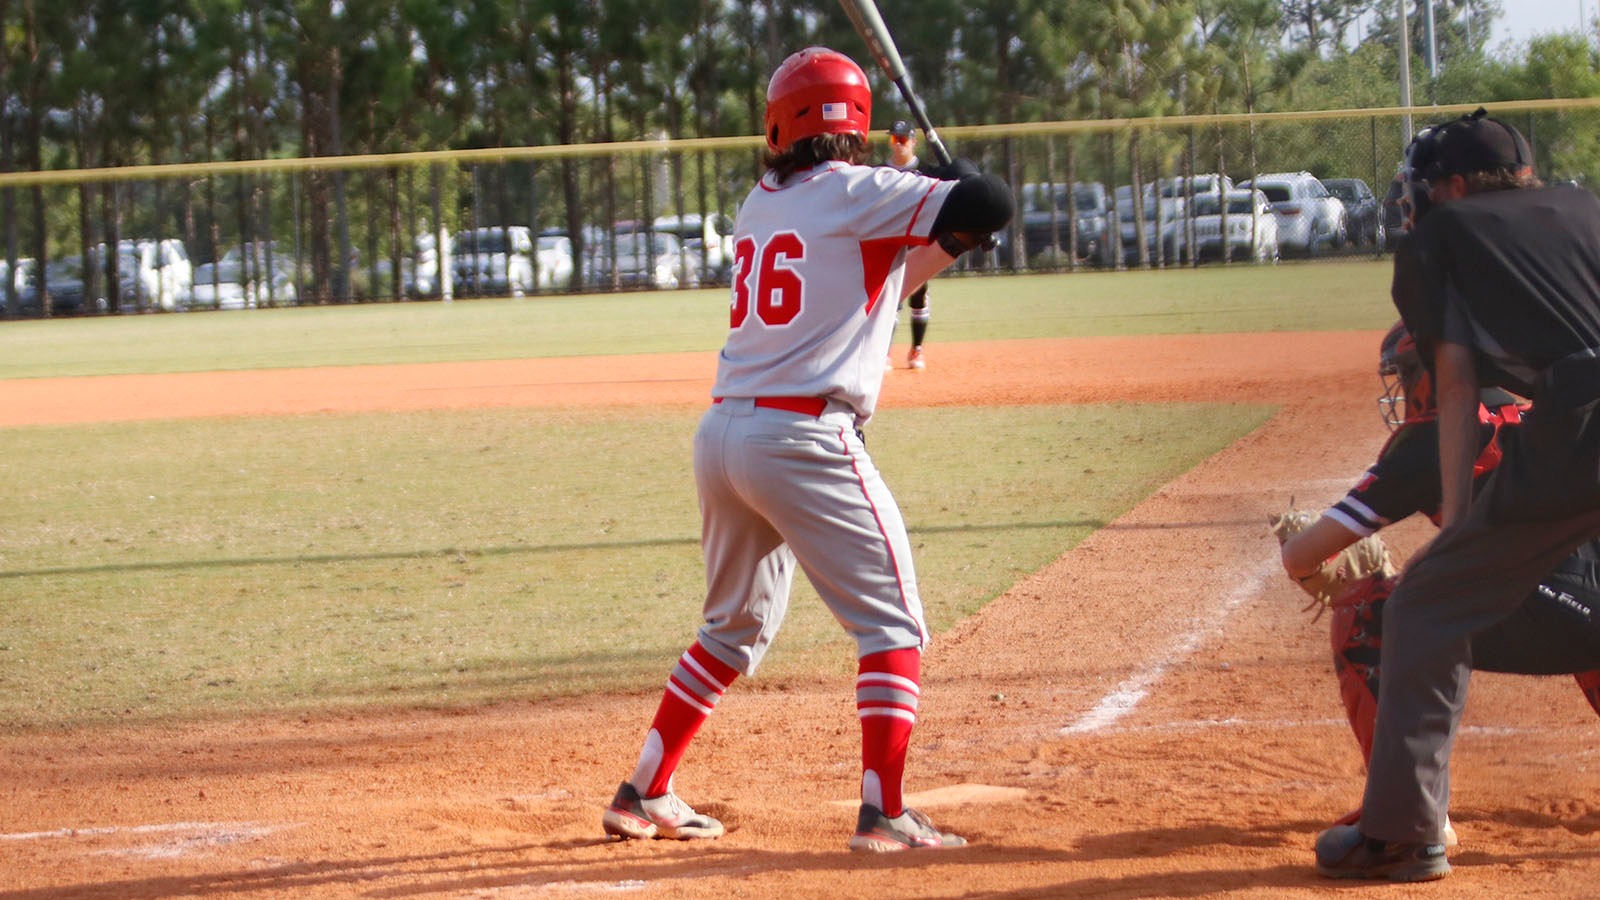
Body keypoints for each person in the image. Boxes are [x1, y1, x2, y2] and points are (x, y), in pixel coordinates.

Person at [600, 46, 1012, 852]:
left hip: (724, 435)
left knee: (729, 630)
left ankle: (644, 790)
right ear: (854, 125)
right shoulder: (858, 191)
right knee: (894, 625)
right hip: (802, 439)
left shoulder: (764, 202)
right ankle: (885, 814)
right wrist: (957, 183)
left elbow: (878, 275)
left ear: (778, 123)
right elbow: (991, 199)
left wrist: (954, 235)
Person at [1314, 108, 1600, 882]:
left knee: (1423, 607)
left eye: (1425, 187)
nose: (1418, 201)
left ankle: (1404, 836)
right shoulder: (1588, 207)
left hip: (1583, 427)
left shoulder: (1439, 240)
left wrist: (1460, 535)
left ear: (1458, 186)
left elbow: (1458, 390)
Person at [1279, 321, 1600, 846]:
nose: (1403, 391)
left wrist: (1318, 574)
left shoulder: (1432, 435)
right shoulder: (1545, 412)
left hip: (1549, 614)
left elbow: (1301, 555)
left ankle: (1413, 815)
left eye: (1406, 375)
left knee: (1372, 610)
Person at [886, 120, 932, 370]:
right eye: (895, 139)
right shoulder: (881, 170)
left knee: (918, 293)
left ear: (914, 142)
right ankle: (885, 353)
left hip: (918, 236)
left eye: (903, 139)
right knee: (889, 296)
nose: (899, 143)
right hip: (891, 237)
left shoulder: (926, 170)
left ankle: (916, 349)